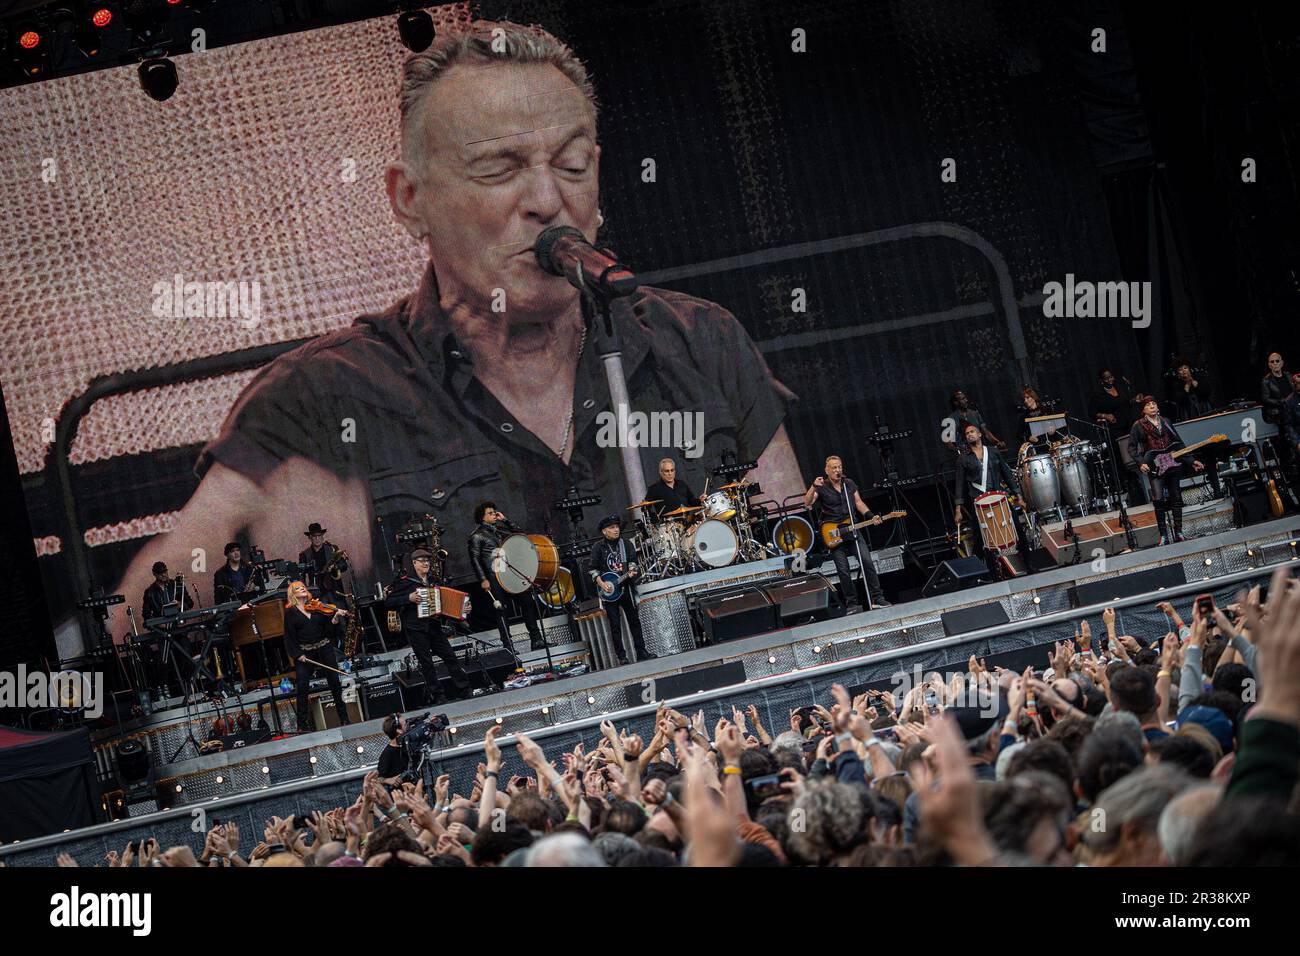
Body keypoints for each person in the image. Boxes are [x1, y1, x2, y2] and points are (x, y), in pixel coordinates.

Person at [101, 19, 802, 649]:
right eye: (500, 169)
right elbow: (132, 626)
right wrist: (278, 575)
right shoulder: (318, 401)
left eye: (572, 164)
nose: (546, 200)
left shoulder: (701, 341)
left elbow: (802, 569)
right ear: (410, 201)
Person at [384, 548, 471, 705]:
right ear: (414, 563)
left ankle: (464, 690)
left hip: (434, 626)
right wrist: (408, 598)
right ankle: (438, 696)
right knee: (427, 663)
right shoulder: (405, 582)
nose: (426, 563)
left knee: (450, 656)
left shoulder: (433, 581)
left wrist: (461, 609)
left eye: (427, 561)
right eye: (422, 561)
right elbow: (389, 602)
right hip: (416, 628)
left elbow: (443, 606)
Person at [803, 455, 889, 611]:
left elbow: (858, 502)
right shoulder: (821, 486)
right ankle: (852, 604)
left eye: (839, 467)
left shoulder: (849, 484)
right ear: (827, 470)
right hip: (833, 532)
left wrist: (871, 516)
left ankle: (877, 598)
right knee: (843, 570)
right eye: (834, 467)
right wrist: (813, 486)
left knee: (867, 561)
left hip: (851, 528)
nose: (837, 470)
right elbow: (807, 503)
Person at [467, 501, 544, 654]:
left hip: (510, 573)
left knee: (527, 602)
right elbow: (474, 559)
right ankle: (508, 646)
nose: (494, 514)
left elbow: (521, 535)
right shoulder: (477, 536)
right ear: (481, 517)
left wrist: (505, 520)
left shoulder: (500, 530)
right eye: (490, 513)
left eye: (495, 511)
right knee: (501, 610)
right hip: (494, 575)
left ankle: (537, 639)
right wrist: (483, 579)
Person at [1128, 397, 1205, 543]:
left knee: (1176, 498)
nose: (1152, 406)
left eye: (1154, 403)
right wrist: (1140, 463)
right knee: (1158, 500)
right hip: (1154, 466)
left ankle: (1179, 533)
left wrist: (1191, 461)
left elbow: (1179, 444)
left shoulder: (1166, 421)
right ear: (1143, 410)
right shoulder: (1138, 425)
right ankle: (1163, 535)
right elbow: (1131, 448)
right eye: (1148, 405)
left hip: (1172, 464)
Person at [282, 580, 352, 732]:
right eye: (298, 588)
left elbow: (328, 631)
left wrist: (334, 619)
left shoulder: (317, 608)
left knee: (334, 682)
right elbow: (289, 637)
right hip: (305, 653)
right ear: (292, 594)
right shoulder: (291, 613)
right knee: (302, 686)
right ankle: (302, 724)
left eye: (303, 587)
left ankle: (344, 718)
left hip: (324, 647)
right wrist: (297, 655)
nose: (302, 589)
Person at [586, 514, 653, 663]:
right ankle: (621, 657)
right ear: (604, 531)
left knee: (634, 621)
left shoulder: (626, 544)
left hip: (626, 587)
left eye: (617, 527)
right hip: (609, 592)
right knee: (615, 625)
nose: (616, 530)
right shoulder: (598, 547)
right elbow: (592, 569)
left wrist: (633, 570)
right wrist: (601, 583)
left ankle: (641, 652)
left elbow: (633, 562)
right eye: (612, 528)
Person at [952, 423, 1022, 557]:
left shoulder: (993, 451)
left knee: (1017, 528)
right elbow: (959, 485)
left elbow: (1006, 473)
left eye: (972, 431)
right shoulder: (963, 459)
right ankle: (985, 571)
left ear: (980, 434)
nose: (969, 434)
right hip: (979, 502)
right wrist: (958, 510)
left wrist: (1018, 495)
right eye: (967, 434)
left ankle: (1028, 562)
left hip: (999, 497)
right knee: (980, 537)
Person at [943, 389, 1005, 454]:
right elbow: (948, 443)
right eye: (962, 399)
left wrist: (997, 442)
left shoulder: (975, 414)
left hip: (980, 452)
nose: (966, 400)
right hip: (965, 455)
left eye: (965, 398)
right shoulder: (950, 419)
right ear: (956, 402)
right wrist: (959, 451)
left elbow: (986, 432)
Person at [298, 522, 345, 598]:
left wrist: (334, 567)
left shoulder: (332, 548)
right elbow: (301, 576)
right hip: (317, 593)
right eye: (314, 536)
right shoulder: (304, 555)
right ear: (310, 537)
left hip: (335, 591)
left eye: (319, 535)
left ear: (322, 536)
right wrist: (305, 592)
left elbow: (344, 565)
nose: (317, 538)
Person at [1260, 351, 1289, 425]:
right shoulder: (1266, 381)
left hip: (1292, 407)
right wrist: (1282, 402)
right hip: (1279, 411)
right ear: (1269, 365)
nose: (1275, 363)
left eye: (1277, 361)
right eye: (1272, 362)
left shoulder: (1289, 375)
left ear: (1282, 363)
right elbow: (1265, 399)